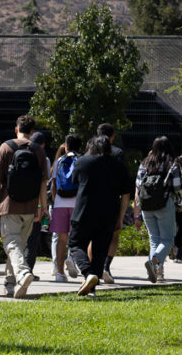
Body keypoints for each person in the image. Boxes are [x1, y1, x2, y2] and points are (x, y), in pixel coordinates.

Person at [0, 114, 48, 299]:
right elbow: (43, 183)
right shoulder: (38, 151)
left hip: (9, 205)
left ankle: (22, 273)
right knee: (18, 245)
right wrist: (42, 207)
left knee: (11, 243)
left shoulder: (5, 147)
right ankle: (10, 283)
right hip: (30, 207)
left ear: (16, 129)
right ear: (32, 132)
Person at [69, 135, 128, 297]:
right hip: (109, 213)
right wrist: (120, 217)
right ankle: (92, 289)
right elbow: (125, 194)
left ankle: (88, 274)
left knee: (75, 244)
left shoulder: (83, 161)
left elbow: (75, 181)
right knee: (100, 251)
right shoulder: (119, 165)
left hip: (84, 211)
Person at [133, 136, 182, 283]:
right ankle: (154, 261)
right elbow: (177, 187)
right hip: (164, 204)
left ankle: (156, 272)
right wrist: (181, 197)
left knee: (154, 239)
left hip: (146, 205)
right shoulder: (172, 164)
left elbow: (138, 185)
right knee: (167, 238)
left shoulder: (144, 163)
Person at [96, 122, 129, 283]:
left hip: (93, 198)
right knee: (114, 235)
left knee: (93, 236)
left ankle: (94, 269)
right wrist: (122, 215)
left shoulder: (90, 150)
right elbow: (123, 181)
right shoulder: (117, 153)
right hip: (112, 199)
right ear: (113, 136)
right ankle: (106, 266)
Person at [51, 133, 84, 282]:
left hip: (60, 203)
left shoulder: (59, 161)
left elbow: (53, 185)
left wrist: (55, 202)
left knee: (61, 239)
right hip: (77, 204)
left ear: (66, 146)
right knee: (76, 237)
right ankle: (71, 258)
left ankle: (59, 273)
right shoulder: (82, 160)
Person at [24, 130, 52, 274]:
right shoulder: (44, 159)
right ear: (43, 145)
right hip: (36, 204)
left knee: (20, 238)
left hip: (18, 202)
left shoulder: (19, 154)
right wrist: (42, 206)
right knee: (33, 238)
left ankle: (18, 270)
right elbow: (44, 184)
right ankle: (28, 270)